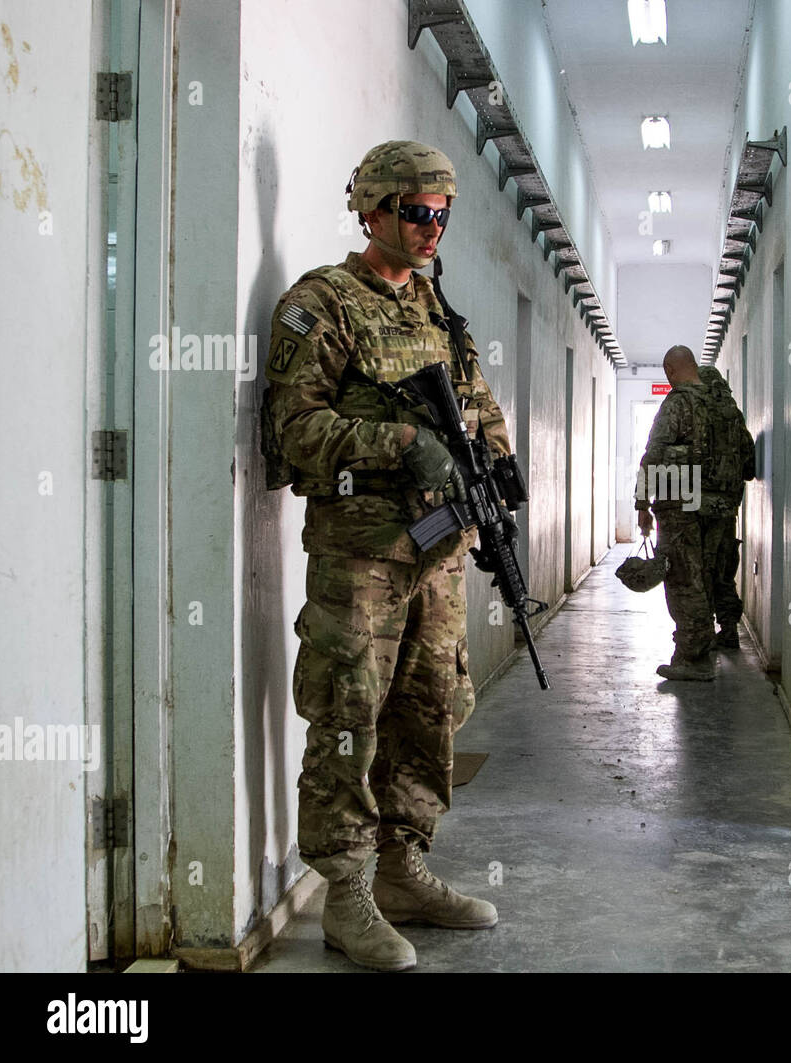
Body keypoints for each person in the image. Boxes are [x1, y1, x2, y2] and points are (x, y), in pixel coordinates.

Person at [262, 140, 512, 971]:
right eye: (415, 212)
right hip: (362, 556)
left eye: (441, 214)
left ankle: (405, 868)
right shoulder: (321, 304)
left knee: (429, 708)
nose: (430, 227)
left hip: (437, 557)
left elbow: (475, 402)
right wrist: (399, 441)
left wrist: (499, 453)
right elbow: (293, 432)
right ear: (370, 209)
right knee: (348, 714)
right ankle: (346, 894)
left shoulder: (437, 310)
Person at [635, 345, 752, 681]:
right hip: (722, 506)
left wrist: (642, 503)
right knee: (713, 574)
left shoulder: (678, 401)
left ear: (670, 369)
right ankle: (712, 639)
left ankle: (692, 658)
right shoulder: (726, 406)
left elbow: (654, 454)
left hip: (683, 505)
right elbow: (746, 457)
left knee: (685, 580)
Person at [696, 365, 755, 649]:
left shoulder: (696, 412)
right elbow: (750, 467)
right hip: (727, 509)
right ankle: (729, 628)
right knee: (724, 570)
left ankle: (702, 631)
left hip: (697, 507)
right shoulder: (735, 416)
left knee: (697, 571)